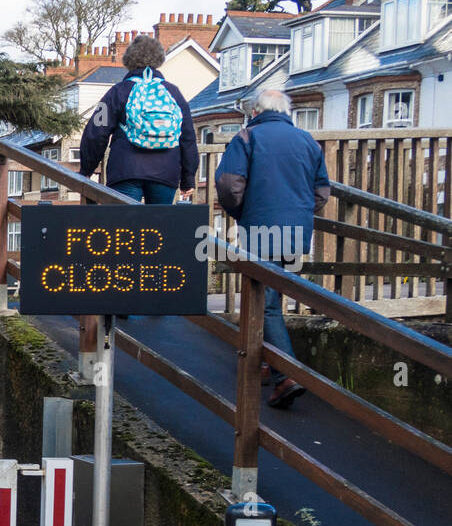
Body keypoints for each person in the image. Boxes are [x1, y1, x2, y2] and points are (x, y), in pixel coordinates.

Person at [215, 88, 330, 410]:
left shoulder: (248, 138)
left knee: (262, 302)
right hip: (295, 231)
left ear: (255, 112)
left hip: (260, 227)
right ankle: (266, 361)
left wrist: (241, 212)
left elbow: (228, 184)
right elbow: (321, 191)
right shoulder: (307, 140)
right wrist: (301, 212)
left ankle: (286, 375)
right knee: (272, 296)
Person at [79, 34, 198, 205]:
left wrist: (86, 169)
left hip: (125, 170)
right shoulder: (174, 93)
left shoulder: (117, 92)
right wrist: (188, 178)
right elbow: (187, 137)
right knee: (158, 228)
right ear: (159, 59)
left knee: (125, 228)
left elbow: (96, 132)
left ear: (129, 60)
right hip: (165, 172)